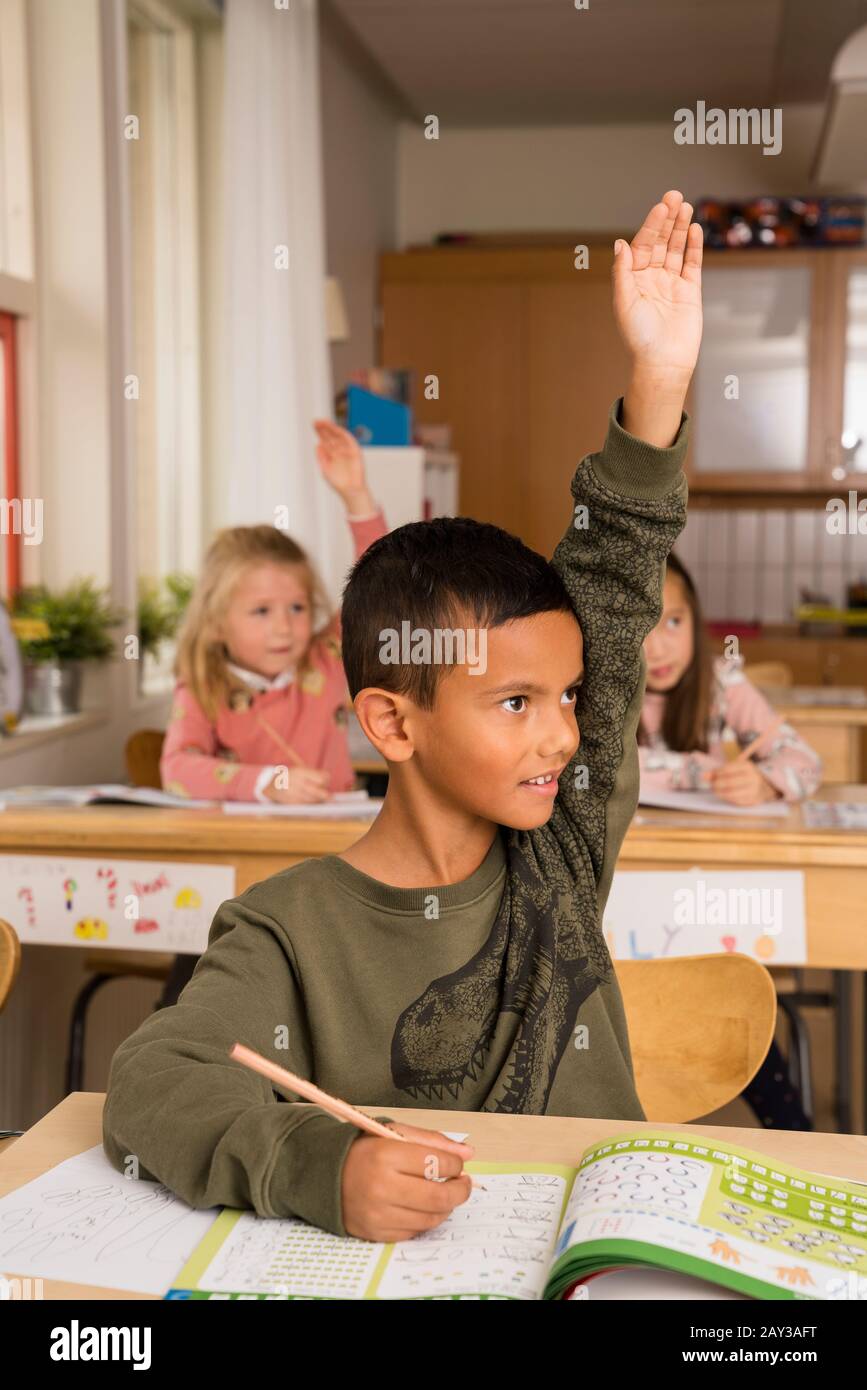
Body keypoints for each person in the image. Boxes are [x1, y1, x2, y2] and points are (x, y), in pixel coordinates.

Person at [104, 190, 701, 1242]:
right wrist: (317, 1164)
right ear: (390, 723)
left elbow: (611, 584)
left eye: (566, 697)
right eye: (514, 702)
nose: (562, 733)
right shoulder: (287, 926)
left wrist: (658, 381)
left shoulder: (562, 846)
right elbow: (153, 1084)